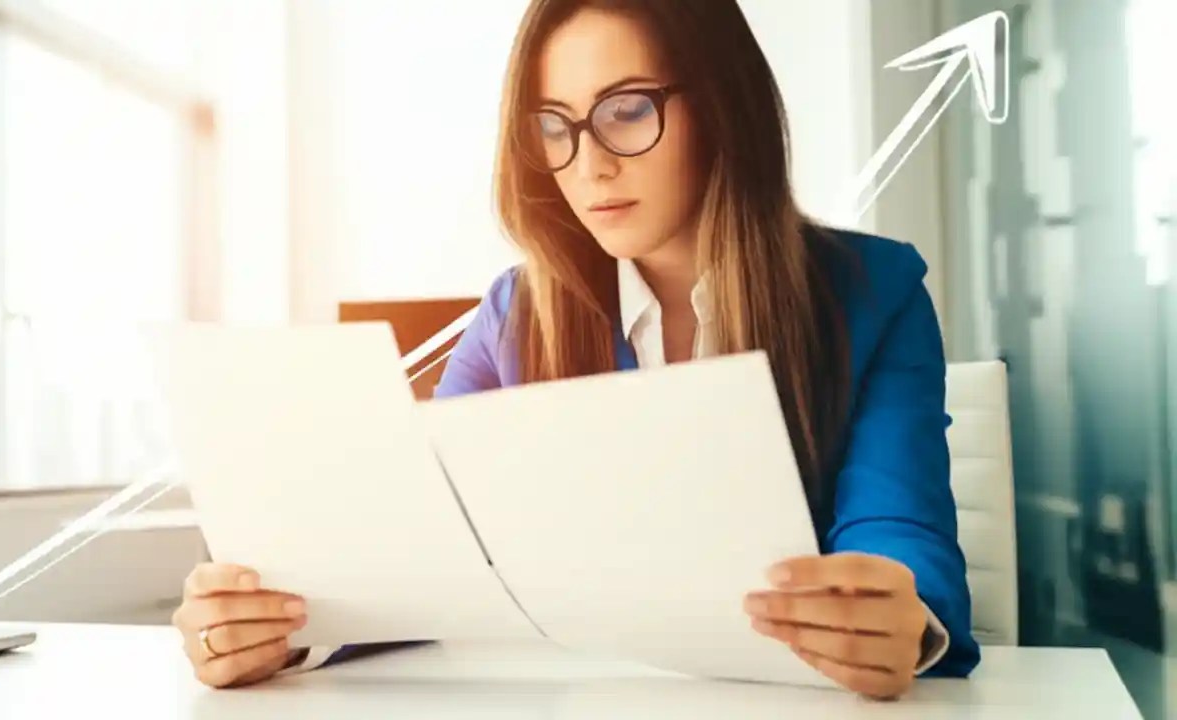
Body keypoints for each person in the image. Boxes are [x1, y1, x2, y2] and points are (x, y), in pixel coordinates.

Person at [170, 0, 981, 699]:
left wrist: (901, 623)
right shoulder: (515, 315)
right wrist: (285, 626)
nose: (587, 164)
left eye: (627, 109)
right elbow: (428, 556)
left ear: (724, 107)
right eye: (553, 126)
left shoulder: (874, 292)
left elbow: (900, 531)